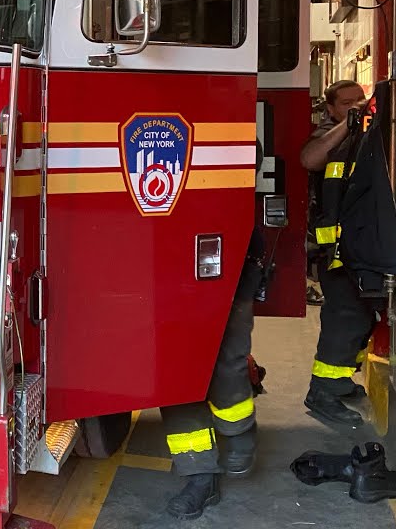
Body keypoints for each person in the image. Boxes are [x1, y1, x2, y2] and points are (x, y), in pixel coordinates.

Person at [160, 144, 264, 520]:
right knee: (175, 373)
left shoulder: (226, 128)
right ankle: (199, 473)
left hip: (227, 255)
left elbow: (248, 161)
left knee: (228, 357)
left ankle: (238, 433)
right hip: (164, 263)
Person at [299, 80, 374, 426]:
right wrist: (350, 122)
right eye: (346, 103)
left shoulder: (367, 133)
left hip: (356, 244)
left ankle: (339, 379)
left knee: (361, 315)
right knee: (346, 315)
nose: (355, 105)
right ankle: (322, 392)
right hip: (330, 248)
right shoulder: (328, 132)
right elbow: (309, 159)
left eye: (360, 99)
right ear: (331, 108)